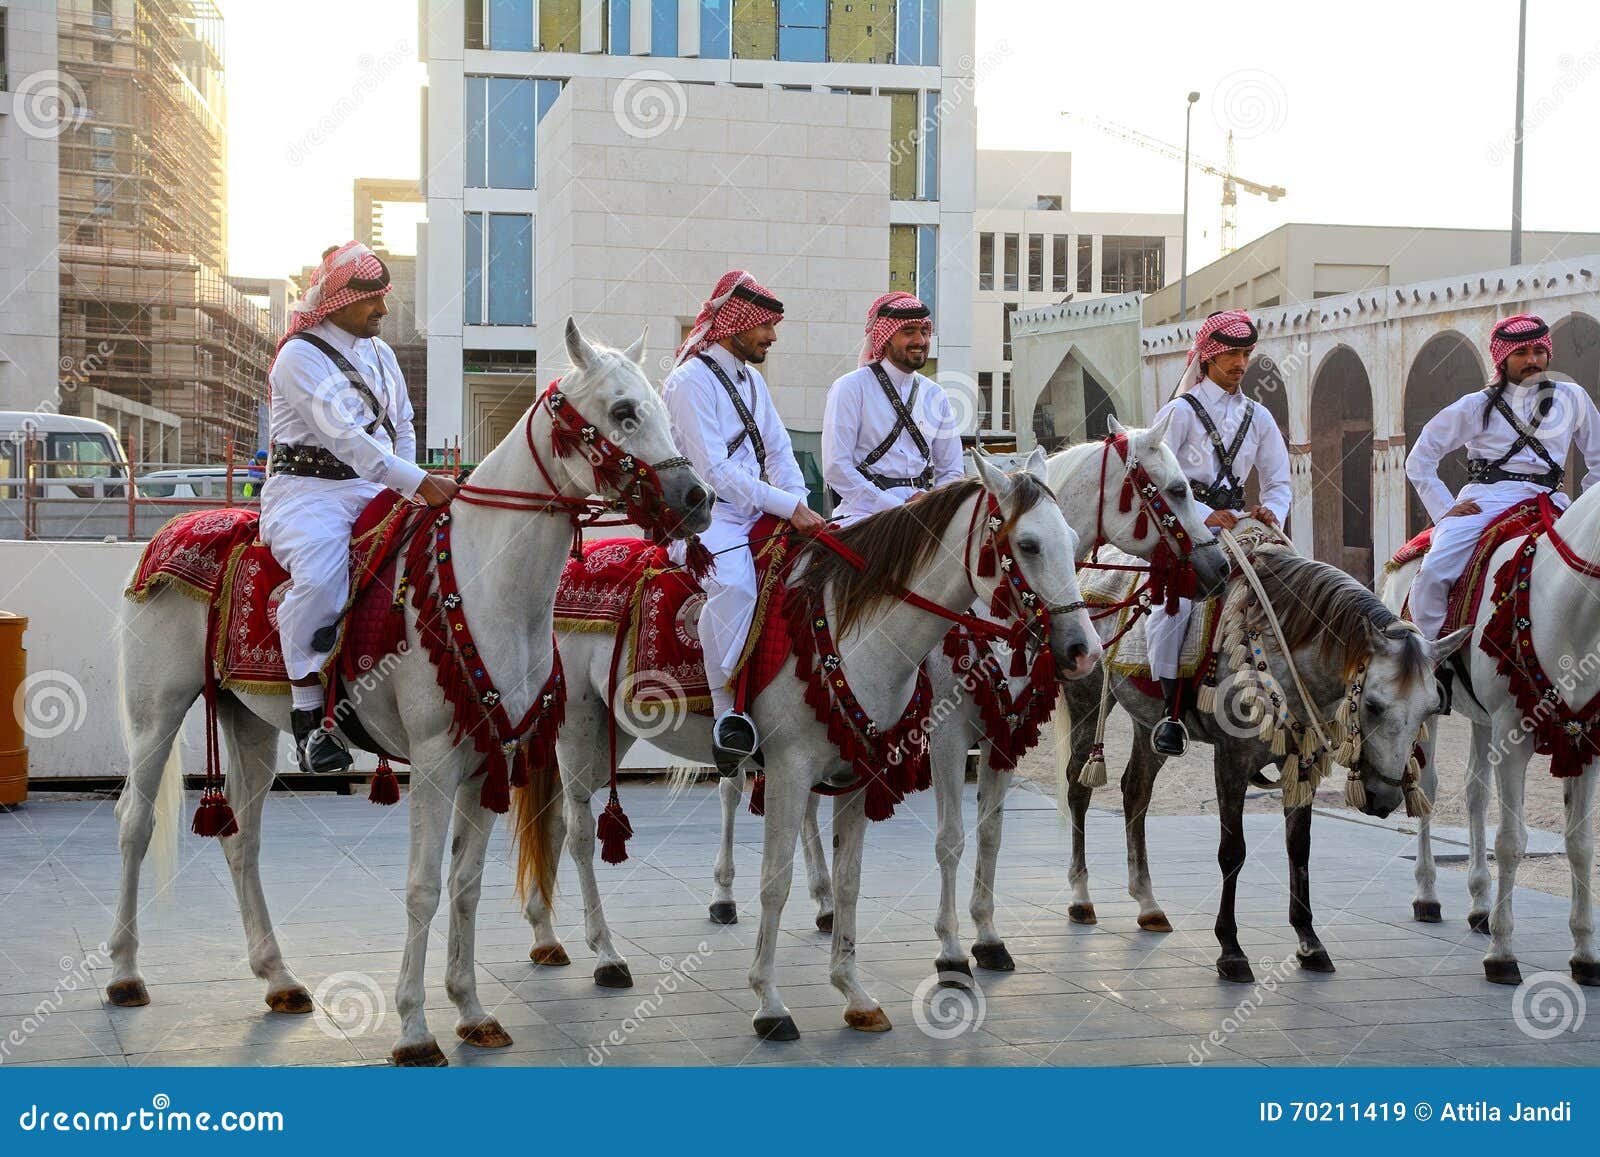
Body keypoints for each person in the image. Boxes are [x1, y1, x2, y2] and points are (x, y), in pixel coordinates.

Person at [261, 241, 457, 773]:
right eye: (372, 300)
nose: (384, 310)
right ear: (338, 300)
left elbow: (403, 426)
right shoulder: (299, 356)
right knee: (323, 577)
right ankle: (307, 721)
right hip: (309, 496)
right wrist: (417, 482)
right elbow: (349, 442)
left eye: (383, 298)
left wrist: (407, 484)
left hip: (378, 488)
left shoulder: (382, 352)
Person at [662, 271, 824, 774]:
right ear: (734, 324)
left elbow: (779, 449)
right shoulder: (688, 382)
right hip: (703, 520)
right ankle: (726, 714)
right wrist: (786, 507)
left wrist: (797, 500)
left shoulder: (752, 381)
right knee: (734, 584)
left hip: (760, 510)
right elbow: (715, 473)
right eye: (764, 327)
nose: (771, 337)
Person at [1406, 314, 1600, 656]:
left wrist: (1588, 509)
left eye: (1539, 350)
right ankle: (1429, 658)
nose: (1532, 360)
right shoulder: (1476, 405)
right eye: (1522, 353)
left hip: (1550, 502)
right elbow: (1420, 458)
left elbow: (1598, 456)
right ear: (1503, 358)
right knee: (1435, 570)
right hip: (1487, 500)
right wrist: (1444, 509)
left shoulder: (1572, 397)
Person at [1146, 309, 1291, 755]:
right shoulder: (1180, 412)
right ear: (1207, 356)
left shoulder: (1259, 417)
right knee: (1174, 611)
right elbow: (1156, 480)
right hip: (1188, 527)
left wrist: (1272, 513)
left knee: (1292, 592)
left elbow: (1279, 482)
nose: (1240, 363)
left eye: (1246, 353)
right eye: (1231, 354)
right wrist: (1205, 513)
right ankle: (1170, 715)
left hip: (1244, 526)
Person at [821, 291, 964, 526]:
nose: (920, 341)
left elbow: (952, 471)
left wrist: (931, 507)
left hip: (925, 517)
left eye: (925, 332)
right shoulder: (850, 388)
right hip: (864, 517)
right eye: (909, 332)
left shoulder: (935, 394)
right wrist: (896, 508)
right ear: (885, 338)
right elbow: (836, 468)